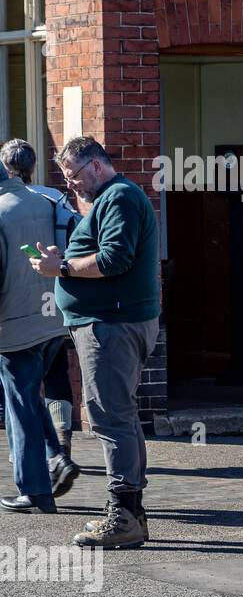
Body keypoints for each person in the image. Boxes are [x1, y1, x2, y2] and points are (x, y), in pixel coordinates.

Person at [30, 137, 160, 549]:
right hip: (113, 323)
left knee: (108, 417)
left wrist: (61, 266)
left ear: (97, 165)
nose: (71, 186)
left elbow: (112, 259)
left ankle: (122, 516)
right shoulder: (116, 198)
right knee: (120, 415)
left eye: (74, 176)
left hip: (111, 326)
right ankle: (130, 511)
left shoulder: (119, 197)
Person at [0, 138, 82, 497]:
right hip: (54, 317)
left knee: (20, 410)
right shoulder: (48, 199)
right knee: (32, 398)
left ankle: (32, 489)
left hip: (14, 327)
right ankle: (57, 456)